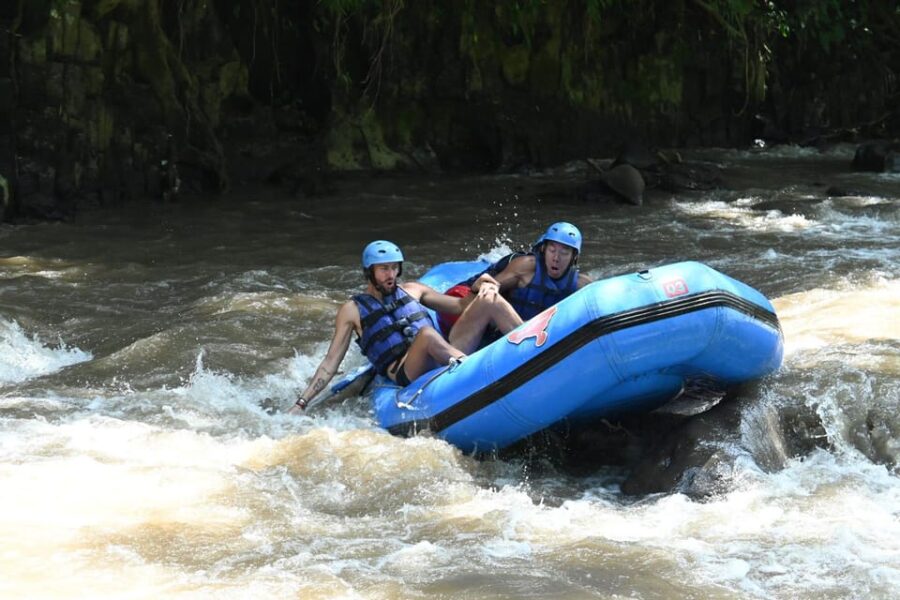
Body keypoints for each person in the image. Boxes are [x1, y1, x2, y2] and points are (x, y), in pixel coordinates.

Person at [289, 240, 522, 413]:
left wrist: (477, 287)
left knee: (489, 299)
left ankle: (532, 340)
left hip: (443, 351)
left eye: (394, 268)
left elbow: (459, 306)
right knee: (427, 334)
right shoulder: (352, 310)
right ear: (369, 272)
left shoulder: (413, 289)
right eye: (384, 269)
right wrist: (302, 403)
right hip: (407, 370)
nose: (391, 275)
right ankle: (473, 372)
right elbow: (330, 363)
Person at [437, 221, 593, 334]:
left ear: (574, 257)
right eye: (552, 250)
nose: (556, 258)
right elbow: (483, 297)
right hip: (502, 326)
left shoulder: (581, 285)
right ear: (544, 250)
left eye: (564, 253)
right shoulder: (525, 267)